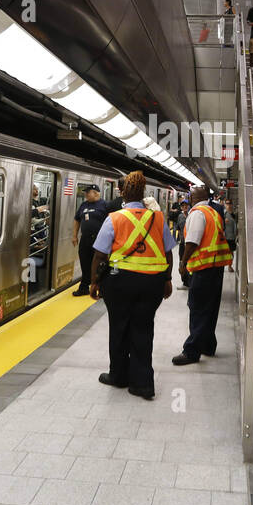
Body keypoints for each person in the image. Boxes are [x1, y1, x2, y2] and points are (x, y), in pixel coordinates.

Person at [89, 171, 174, 399]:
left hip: (119, 282)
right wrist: (167, 279)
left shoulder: (114, 218)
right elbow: (167, 252)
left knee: (119, 328)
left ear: (124, 193)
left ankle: (118, 376)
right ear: (143, 193)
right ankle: (143, 384)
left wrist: (94, 282)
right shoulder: (158, 218)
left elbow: (99, 255)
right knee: (143, 329)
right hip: (151, 284)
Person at [172, 185, 232, 366]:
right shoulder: (213, 212)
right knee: (210, 308)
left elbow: (192, 241)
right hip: (215, 267)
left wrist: (183, 263)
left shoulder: (198, 213)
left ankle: (192, 351)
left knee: (197, 307)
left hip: (204, 268)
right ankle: (208, 345)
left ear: (193, 198)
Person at [72, 184, 109, 296]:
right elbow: (77, 219)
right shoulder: (84, 205)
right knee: (84, 262)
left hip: (100, 240)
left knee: (100, 264)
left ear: (96, 193)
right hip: (85, 239)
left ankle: (101, 288)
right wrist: (74, 235)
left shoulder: (105, 205)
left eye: (88, 192)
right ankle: (84, 287)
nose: (86, 194)